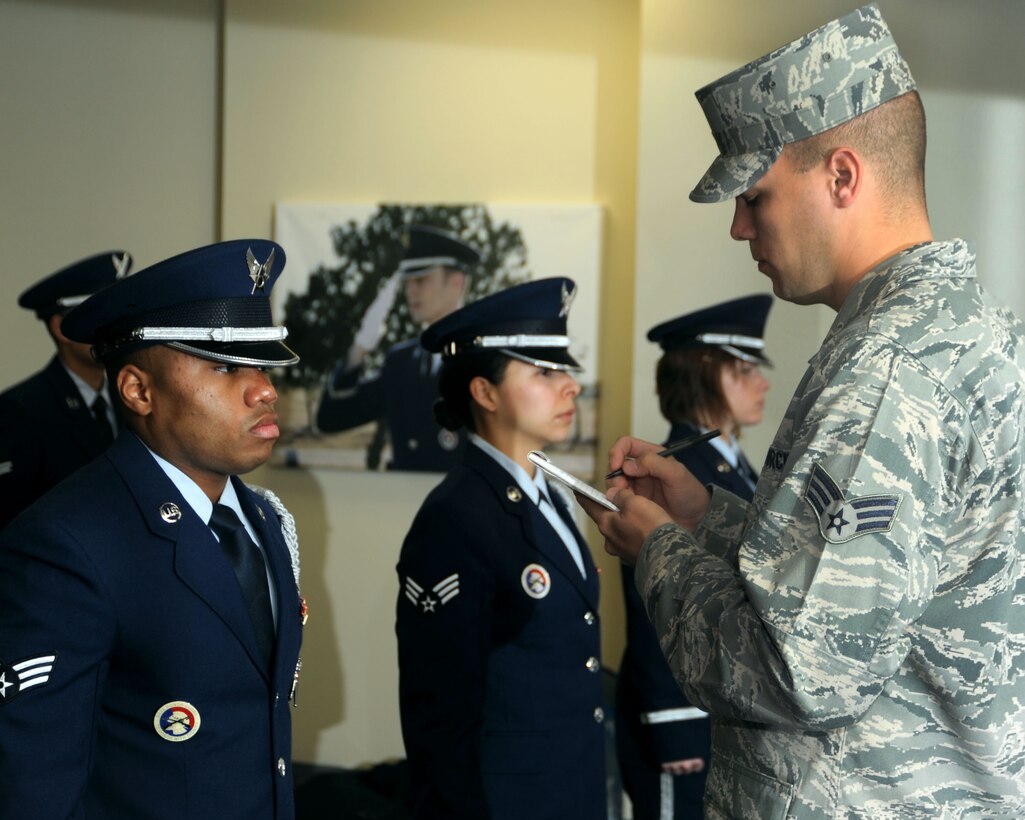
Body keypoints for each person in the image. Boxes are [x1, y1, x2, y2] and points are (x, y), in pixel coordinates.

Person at [580, 4, 1025, 817]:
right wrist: (707, 515)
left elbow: (795, 674)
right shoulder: (961, 329)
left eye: (754, 195)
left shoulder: (884, 374)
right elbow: (880, 585)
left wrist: (658, 554)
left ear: (841, 177)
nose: (737, 226)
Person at [0, 239, 306, 819]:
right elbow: (33, 785)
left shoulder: (264, 520)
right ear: (138, 390)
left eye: (263, 363)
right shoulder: (66, 544)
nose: (265, 389)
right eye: (223, 365)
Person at [395, 278, 607, 820]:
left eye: (563, 370)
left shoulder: (550, 497)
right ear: (485, 393)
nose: (570, 388)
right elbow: (441, 716)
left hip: (569, 792)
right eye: (543, 372)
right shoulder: (455, 517)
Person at [617, 294, 771, 819]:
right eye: (745, 368)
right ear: (706, 373)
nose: (762, 382)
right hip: (684, 717)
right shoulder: (679, 468)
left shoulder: (734, 465)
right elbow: (651, 598)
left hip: (725, 702)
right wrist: (672, 721)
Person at [317, 224, 478, 471]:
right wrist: (360, 348)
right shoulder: (401, 362)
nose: (411, 289)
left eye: (422, 279)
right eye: (408, 281)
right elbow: (331, 418)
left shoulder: (483, 360)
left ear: (456, 283)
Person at [0, 250, 132, 529]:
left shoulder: (130, 399)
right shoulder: (20, 410)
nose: (114, 329)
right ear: (61, 328)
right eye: (100, 317)